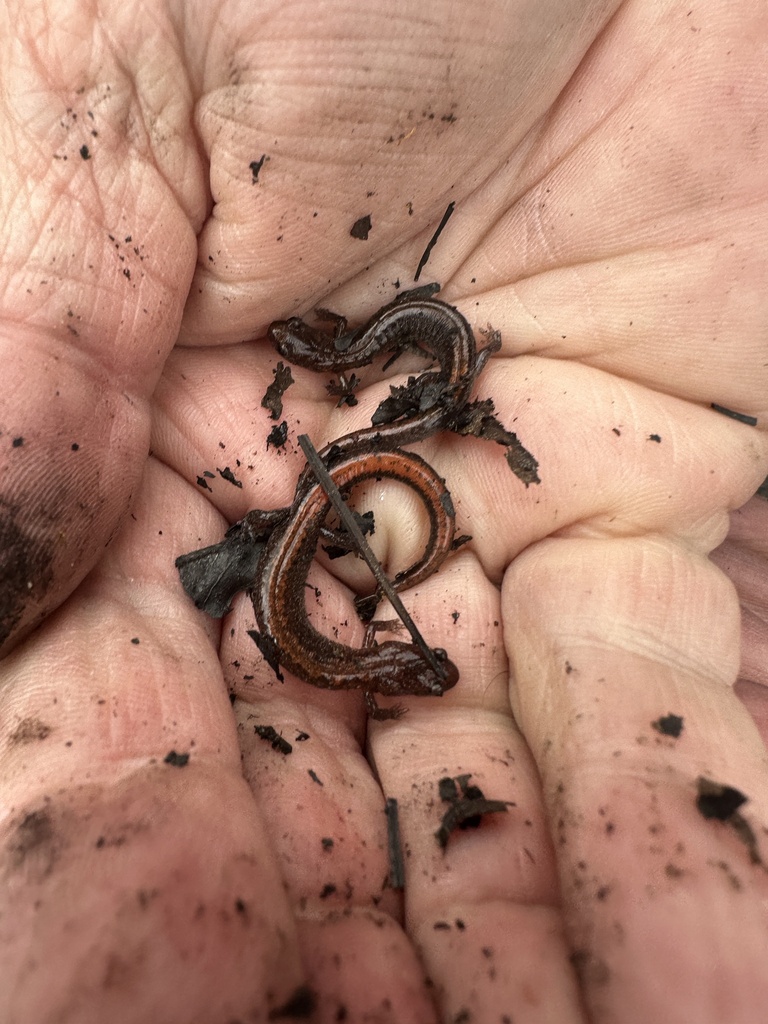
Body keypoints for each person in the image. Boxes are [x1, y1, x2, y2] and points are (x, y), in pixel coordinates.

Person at [1, 1, 766, 1020]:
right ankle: (354, 472)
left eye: (416, 669)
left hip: (411, 400)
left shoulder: (354, 607)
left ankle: (357, 471)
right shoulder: (357, 628)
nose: (417, 670)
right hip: (397, 407)